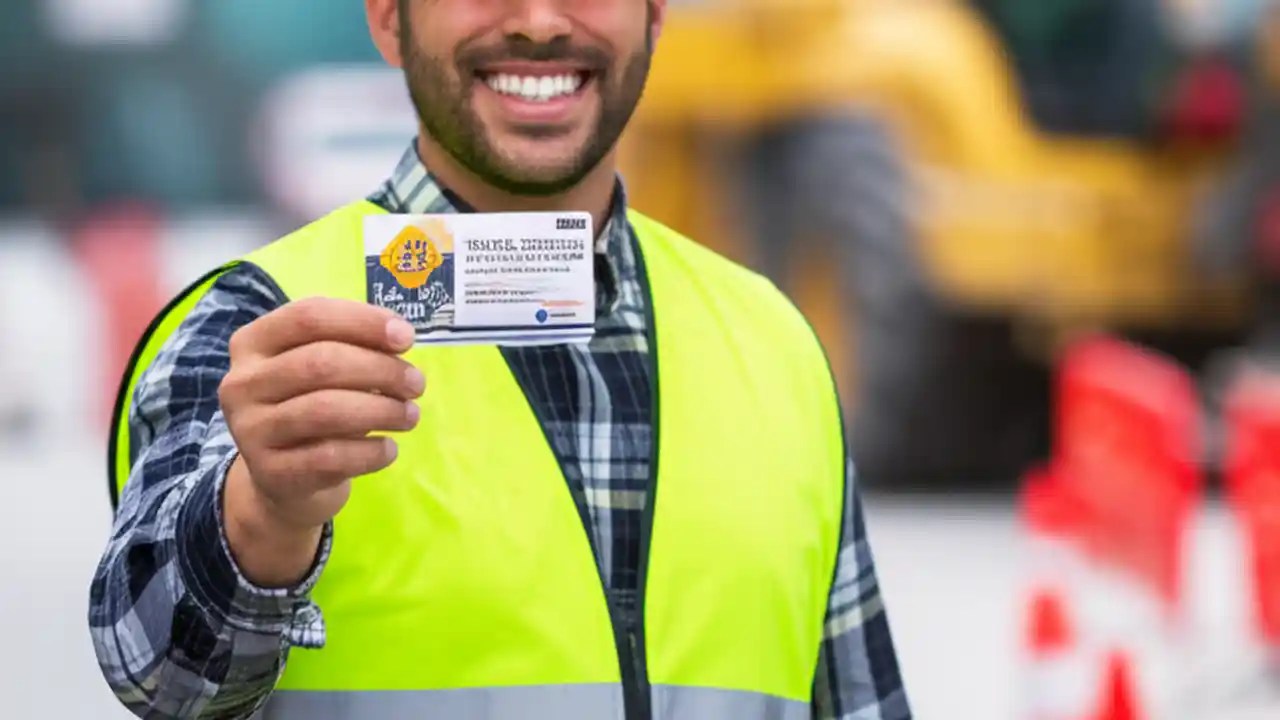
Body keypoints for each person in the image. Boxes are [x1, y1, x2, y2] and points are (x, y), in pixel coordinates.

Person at [88, 1, 912, 718]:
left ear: (655, 11)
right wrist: (257, 517)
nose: (539, 20)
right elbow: (152, 672)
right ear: (388, 16)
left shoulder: (774, 342)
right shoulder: (260, 325)